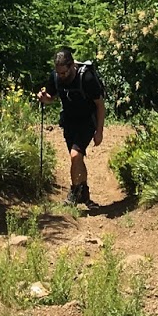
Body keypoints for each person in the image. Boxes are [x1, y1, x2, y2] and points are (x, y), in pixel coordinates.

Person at [37, 47, 105, 205]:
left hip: (88, 121)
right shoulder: (55, 77)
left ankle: (74, 193)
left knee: (75, 155)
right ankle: (84, 192)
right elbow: (50, 97)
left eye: (64, 73)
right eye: (59, 72)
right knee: (77, 159)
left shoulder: (86, 78)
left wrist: (99, 131)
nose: (61, 76)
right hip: (69, 122)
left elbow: (100, 105)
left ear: (72, 66)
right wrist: (43, 97)